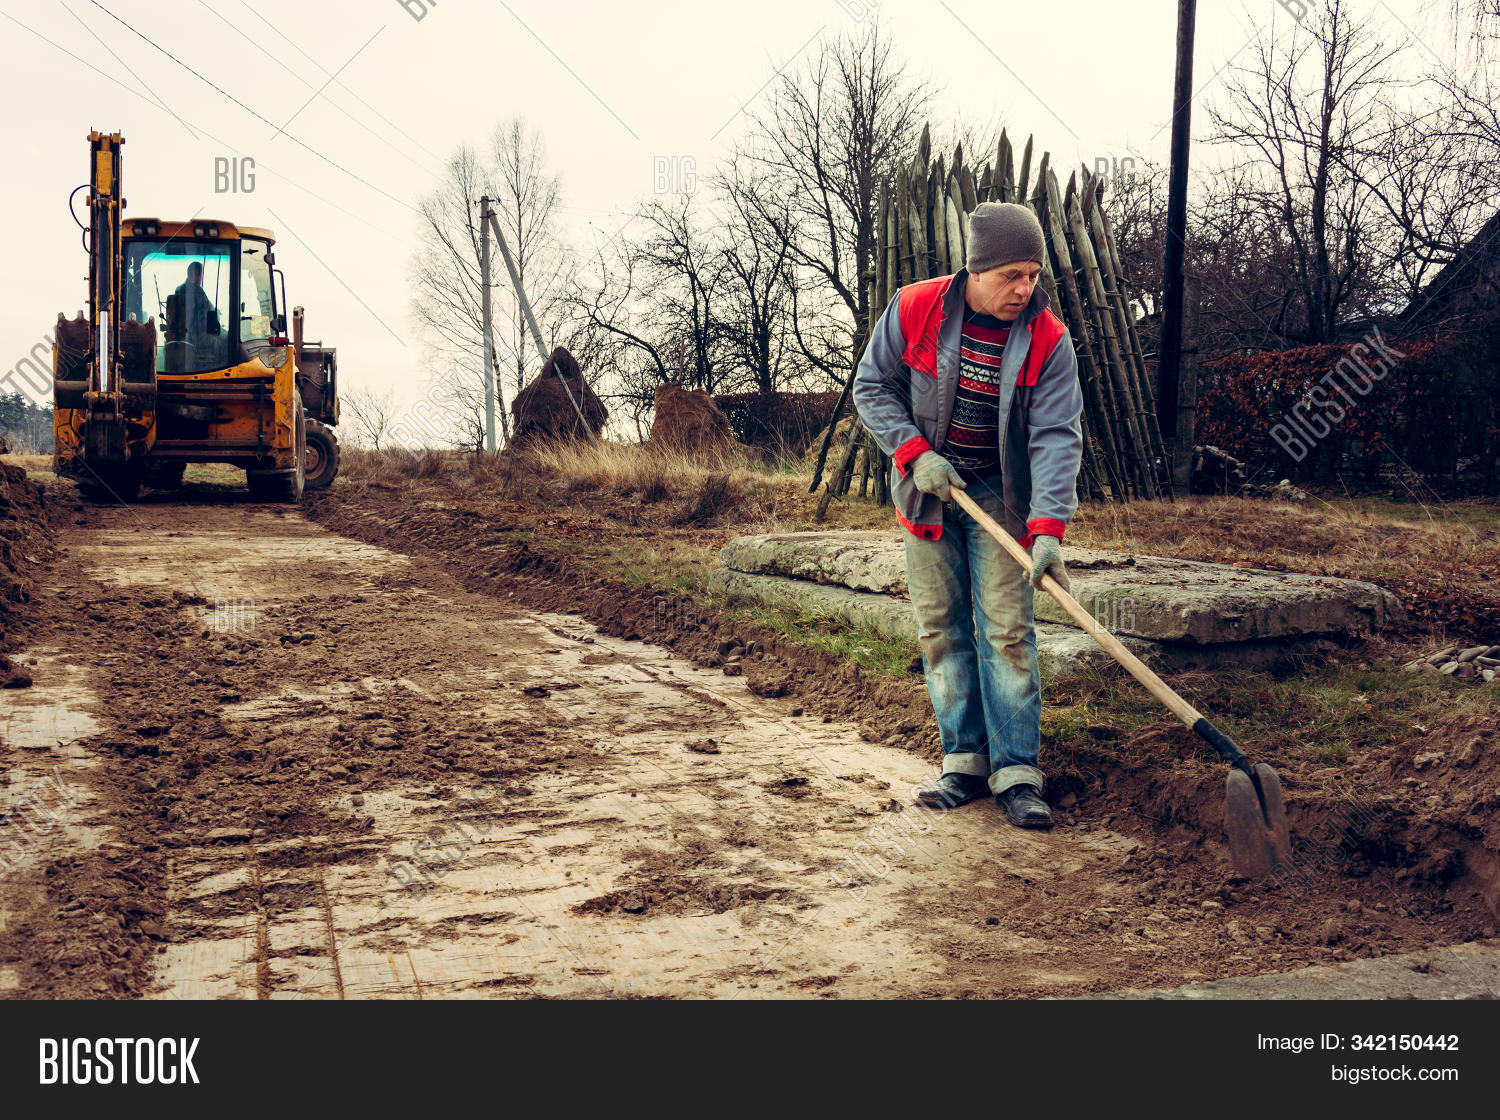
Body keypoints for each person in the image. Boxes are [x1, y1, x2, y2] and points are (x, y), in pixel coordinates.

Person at [852, 201, 1083, 829]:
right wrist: (913, 453)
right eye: (1011, 274)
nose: (1024, 289)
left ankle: (1017, 772)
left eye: (1033, 275)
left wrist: (1048, 532)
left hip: (1001, 499)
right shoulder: (914, 308)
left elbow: (1057, 437)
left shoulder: (1049, 340)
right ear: (976, 270)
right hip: (931, 491)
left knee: (1007, 633)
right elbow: (871, 386)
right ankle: (964, 762)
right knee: (942, 629)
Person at [169, 261, 221, 347]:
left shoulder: (179, 289)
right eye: (199, 273)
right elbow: (208, 310)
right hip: (197, 334)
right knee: (223, 339)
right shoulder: (197, 291)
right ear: (191, 273)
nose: (201, 276)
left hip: (181, 333)